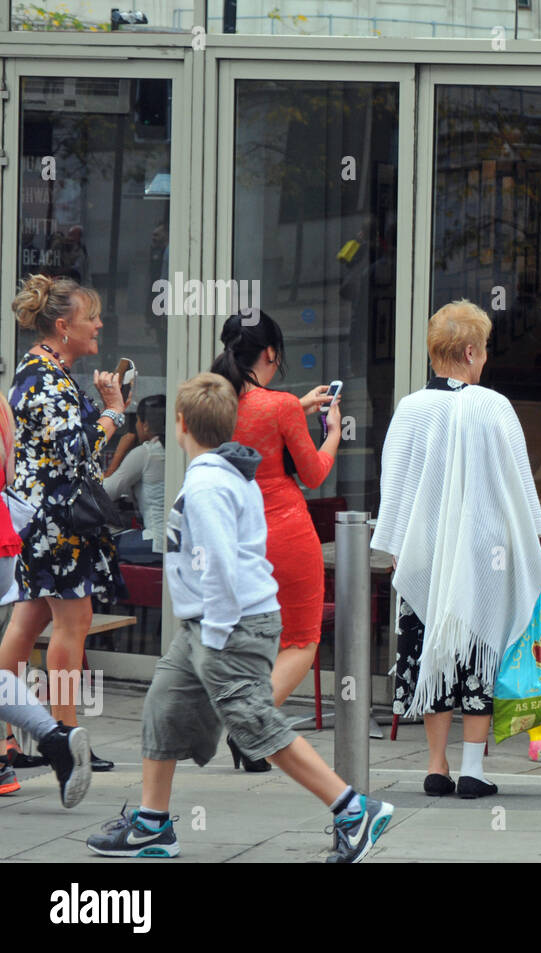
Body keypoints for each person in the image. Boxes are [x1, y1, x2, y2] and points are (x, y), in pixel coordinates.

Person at [86, 373, 392, 861]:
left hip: (225, 624)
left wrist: (217, 632)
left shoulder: (208, 482)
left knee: (255, 724)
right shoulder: (227, 472)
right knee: (162, 707)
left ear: (180, 424)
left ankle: (354, 811)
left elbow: (221, 566)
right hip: (208, 623)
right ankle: (151, 825)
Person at [372, 300, 541, 799]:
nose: (486, 358)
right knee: (479, 648)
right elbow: (519, 487)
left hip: (424, 550)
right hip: (485, 554)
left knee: (432, 648)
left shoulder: (410, 409)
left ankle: (435, 764)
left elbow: (396, 482)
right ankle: (473, 768)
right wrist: (531, 544)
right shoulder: (495, 407)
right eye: (485, 349)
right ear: (470, 351)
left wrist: (398, 545)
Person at [0, 274, 126, 773]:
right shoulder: (43, 376)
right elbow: (77, 451)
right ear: (62, 325)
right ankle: (66, 737)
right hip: (56, 521)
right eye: (89, 317)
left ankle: (12, 741)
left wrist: (104, 407)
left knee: (27, 623)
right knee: (73, 622)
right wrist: (115, 413)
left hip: (42, 518)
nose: (97, 324)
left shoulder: (44, 371)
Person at [209, 310, 340, 770]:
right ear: (270, 353)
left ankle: (245, 724)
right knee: (301, 641)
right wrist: (334, 435)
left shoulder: (213, 401)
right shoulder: (278, 405)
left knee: (251, 637)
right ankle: (250, 727)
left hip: (233, 535)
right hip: (284, 531)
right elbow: (313, 473)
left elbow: (254, 422)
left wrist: (294, 406)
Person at [103, 394, 167, 565]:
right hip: (172, 539)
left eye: (138, 421)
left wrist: (119, 452)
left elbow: (106, 492)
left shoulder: (146, 452)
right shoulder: (172, 450)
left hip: (156, 541)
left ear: (145, 425)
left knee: (100, 545)